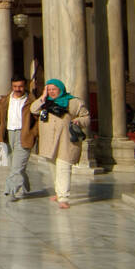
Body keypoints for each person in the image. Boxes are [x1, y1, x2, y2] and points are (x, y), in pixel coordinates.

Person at [29, 79, 91, 209]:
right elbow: (33, 109)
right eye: (49, 89)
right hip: (49, 141)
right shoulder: (45, 103)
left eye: (54, 89)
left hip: (66, 141)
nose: (52, 92)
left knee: (63, 167)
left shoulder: (74, 102)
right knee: (53, 167)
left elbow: (86, 117)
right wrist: (43, 96)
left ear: (60, 89)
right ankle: (58, 192)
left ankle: (64, 197)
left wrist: (79, 121)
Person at [0, 77, 37, 202]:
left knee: (17, 166)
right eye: (15, 86)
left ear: (25, 86)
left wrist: (33, 133)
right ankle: (24, 183)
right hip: (7, 135)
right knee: (14, 164)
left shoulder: (32, 101)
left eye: (20, 86)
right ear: (12, 86)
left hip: (24, 135)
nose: (18, 89)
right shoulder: (4, 101)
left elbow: (38, 120)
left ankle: (10, 190)